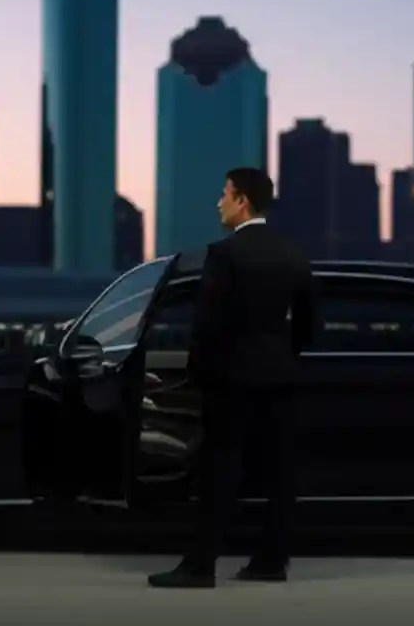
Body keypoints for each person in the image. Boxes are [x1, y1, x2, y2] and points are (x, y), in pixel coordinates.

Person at [147, 167, 316, 588]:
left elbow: (208, 326)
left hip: (232, 380)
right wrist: (282, 355)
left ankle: (200, 566)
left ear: (242, 200)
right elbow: (310, 325)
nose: (218, 203)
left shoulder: (224, 255)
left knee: (219, 472)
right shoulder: (294, 253)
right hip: (279, 378)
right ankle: (271, 562)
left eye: (224, 194)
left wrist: (196, 375)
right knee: (278, 475)